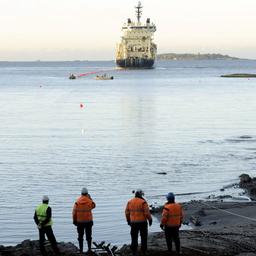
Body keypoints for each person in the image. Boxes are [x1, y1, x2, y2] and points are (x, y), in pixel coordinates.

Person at [125, 189, 152, 256]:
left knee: (134, 237)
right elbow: (147, 213)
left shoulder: (130, 202)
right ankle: (143, 252)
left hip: (133, 223)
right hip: (142, 222)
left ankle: (134, 252)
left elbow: (126, 213)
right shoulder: (143, 202)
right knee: (144, 237)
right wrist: (150, 219)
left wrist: (128, 221)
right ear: (141, 195)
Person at [73, 187, 96, 254]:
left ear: (81, 193)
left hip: (79, 222)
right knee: (89, 236)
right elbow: (94, 206)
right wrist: (90, 198)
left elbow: (74, 212)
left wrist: (74, 221)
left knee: (80, 236)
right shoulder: (90, 201)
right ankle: (89, 250)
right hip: (88, 222)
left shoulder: (77, 202)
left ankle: (81, 251)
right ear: (87, 193)